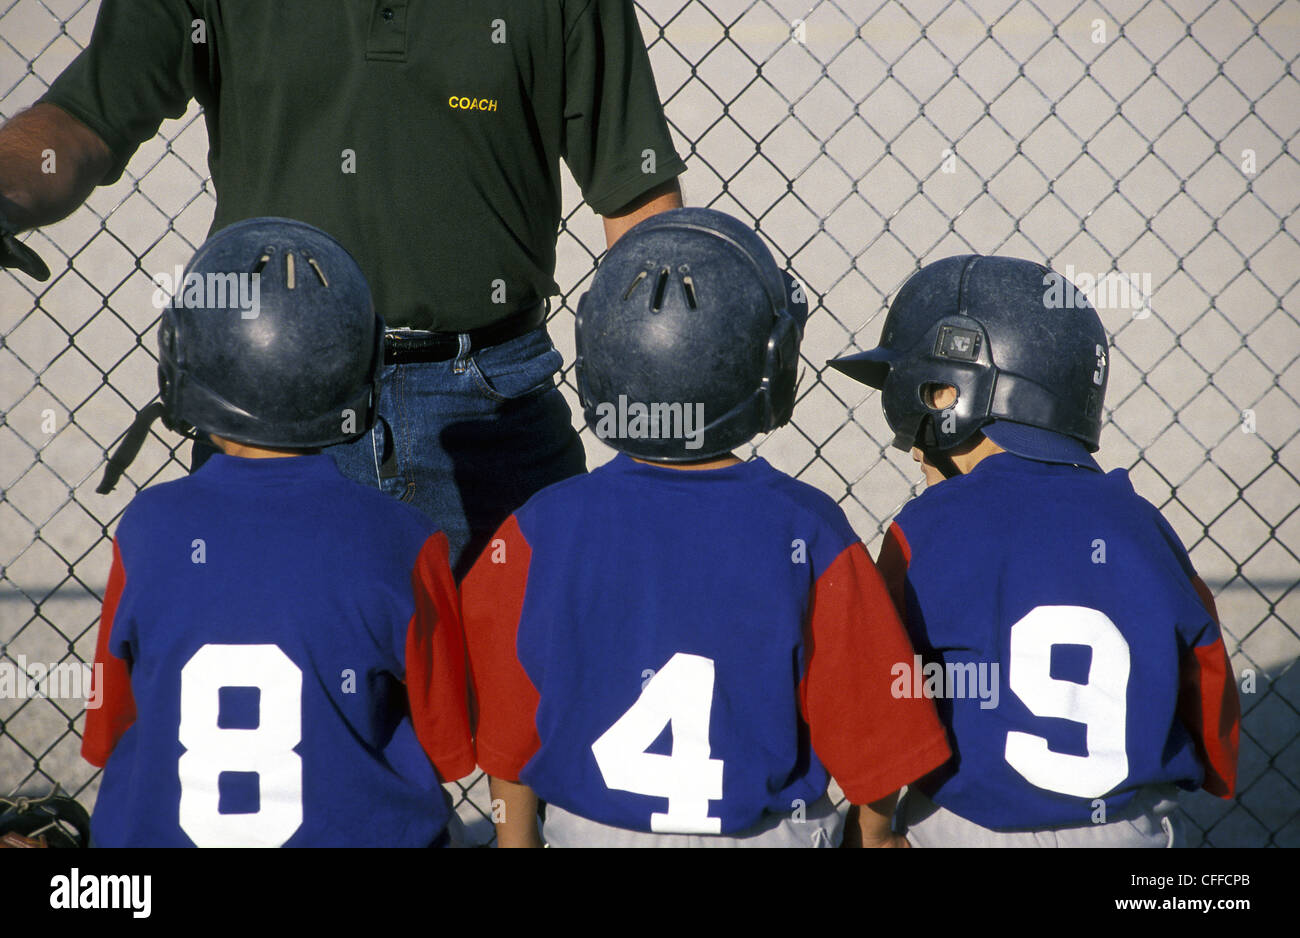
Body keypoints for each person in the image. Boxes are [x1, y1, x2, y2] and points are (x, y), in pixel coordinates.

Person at [0, 0, 687, 576]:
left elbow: (636, 199)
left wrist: (672, 427)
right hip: (270, 408)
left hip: (491, 407)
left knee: (510, 717)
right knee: (281, 722)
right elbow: (83, 119)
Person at [463, 208, 952, 847]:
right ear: (770, 369)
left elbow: (508, 732)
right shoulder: (807, 530)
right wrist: (879, 835)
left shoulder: (538, 527)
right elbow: (874, 732)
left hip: (594, 833)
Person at [83, 219, 474, 846]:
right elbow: (451, 748)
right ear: (360, 367)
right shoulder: (403, 538)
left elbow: (107, 733)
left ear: (184, 363)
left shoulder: (149, 526)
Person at [828, 254, 1241, 847]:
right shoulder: (1142, 525)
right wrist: (1214, 770)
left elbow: (884, 704)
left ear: (950, 395)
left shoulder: (925, 528)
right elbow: (1207, 676)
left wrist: (873, 829)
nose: (913, 450)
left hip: (970, 827)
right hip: (1126, 830)